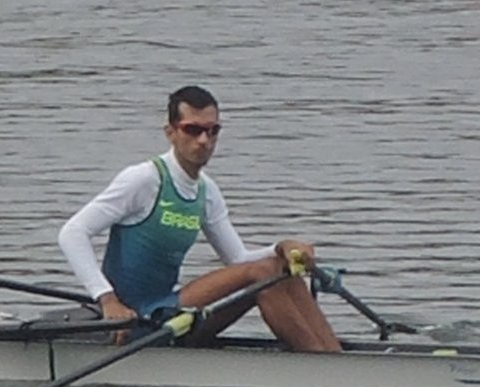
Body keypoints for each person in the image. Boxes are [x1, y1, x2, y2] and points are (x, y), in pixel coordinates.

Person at [58, 85, 340, 352]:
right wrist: (107, 300)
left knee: (281, 267)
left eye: (212, 131)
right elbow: (73, 233)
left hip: (169, 314)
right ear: (170, 132)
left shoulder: (206, 190)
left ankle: (332, 358)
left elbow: (238, 259)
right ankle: (321, 369)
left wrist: (281, 247)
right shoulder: (144, 179)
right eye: (192, 130)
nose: (204, 140)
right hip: (131, 320)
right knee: (263, 273)